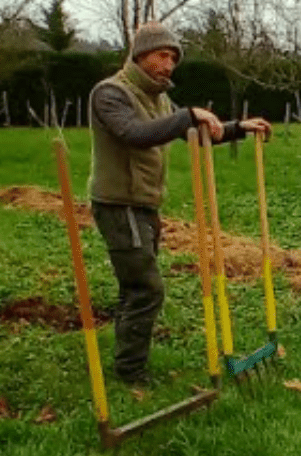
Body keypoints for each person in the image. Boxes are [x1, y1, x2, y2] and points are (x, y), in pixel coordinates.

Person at [88, 21, 271, 385]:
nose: (169, 64)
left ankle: (127, 361)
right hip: (119, 204)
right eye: (162, 55)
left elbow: (190, 131)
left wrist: (237, 127)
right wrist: (187, 114)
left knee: (135, 288)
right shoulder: (110, 93)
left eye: (173, 57)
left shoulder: (158, 98)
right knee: (147, 289)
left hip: (145, 204)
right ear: (139, 54)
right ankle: (131, 373)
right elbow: (134, 134)